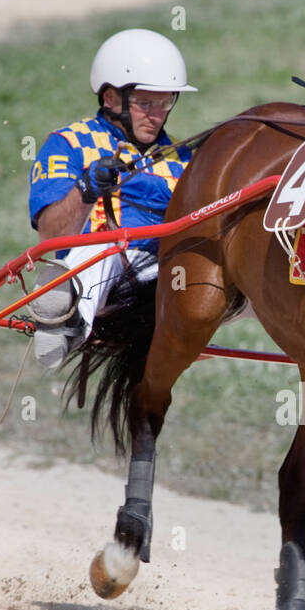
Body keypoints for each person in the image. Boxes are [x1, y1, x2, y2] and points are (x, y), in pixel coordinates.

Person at [28, 28, 197, 369]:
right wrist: (88, 187)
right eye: (145, 103)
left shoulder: (183, 158)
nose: (157, 115)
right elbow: (51, 236)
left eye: (165, 103)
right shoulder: (69, 144)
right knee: (102, 248)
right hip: (104, 268)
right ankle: (62, 319)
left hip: (164, 277)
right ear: (109, 98)